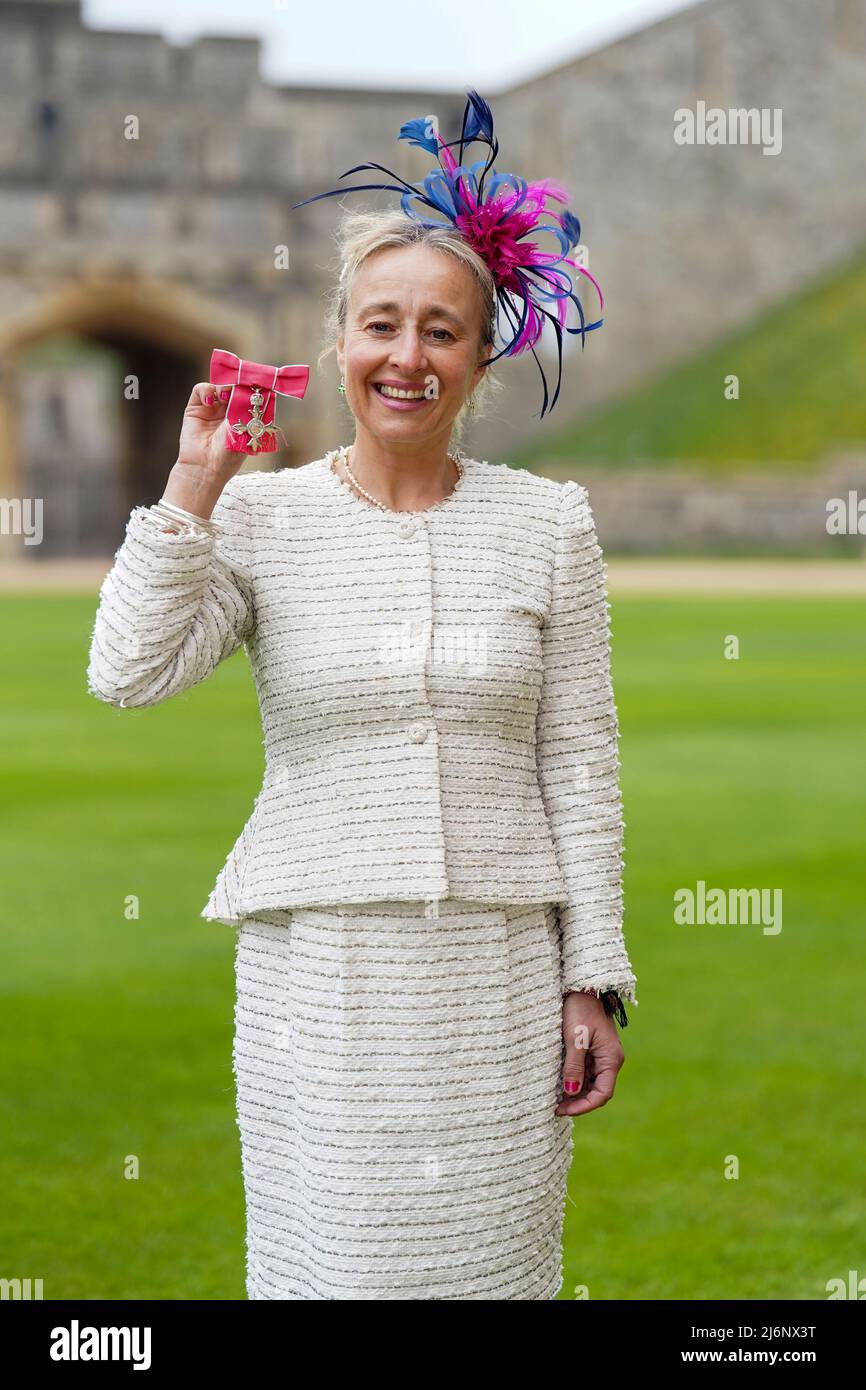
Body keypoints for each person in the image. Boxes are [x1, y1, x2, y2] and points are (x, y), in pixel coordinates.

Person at [86, 90, 637, 1300]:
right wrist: (188, 490)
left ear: (480, 355)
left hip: (497, 971)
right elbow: (125, 672)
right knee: (334, 1266)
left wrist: (589, 974)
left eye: (441, 331)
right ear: (337, 339)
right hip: (319, 974)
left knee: (486, 1269)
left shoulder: (550, 523)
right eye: (380, 325)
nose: (407, 356)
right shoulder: (259, 516)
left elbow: (580, 761)